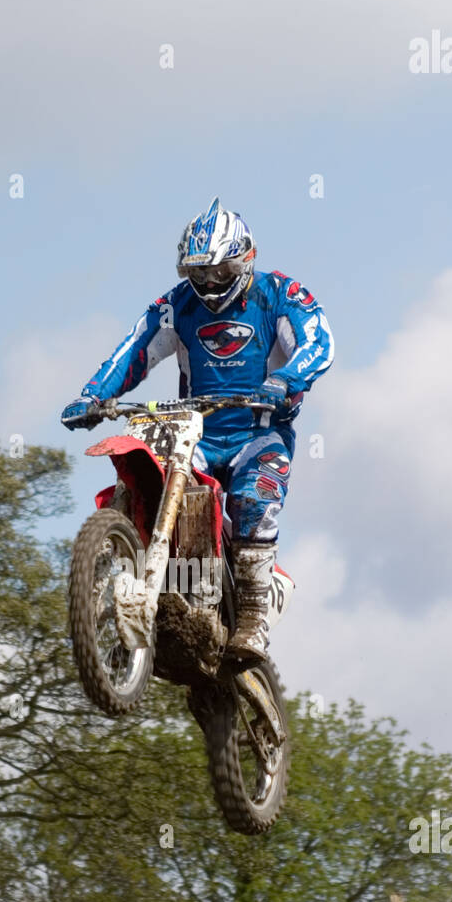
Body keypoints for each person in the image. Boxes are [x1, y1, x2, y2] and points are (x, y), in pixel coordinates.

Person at [61, 197, 335, 662]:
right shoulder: (178, 304)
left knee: (253, 500)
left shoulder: (279, 295)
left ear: (245, 261)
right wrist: (93, 395)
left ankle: (252, 621)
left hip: (259, 432)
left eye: (219, 274)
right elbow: (135, 348)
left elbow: (319, 341)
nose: (209, 285)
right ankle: (155, 580)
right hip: (196, 432)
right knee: (148, 472)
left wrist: (286, 381)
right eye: (199, 274)